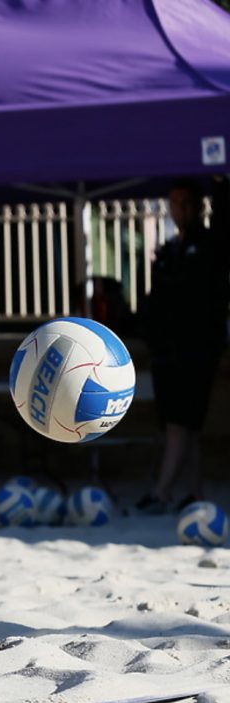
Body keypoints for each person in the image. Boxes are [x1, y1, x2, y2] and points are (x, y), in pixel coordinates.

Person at [136, 175, 229, 513]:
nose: (180, 209)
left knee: (180, 422)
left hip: (196, 350)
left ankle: (162, 491)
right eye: (175, 203)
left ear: (200, 206)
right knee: (184, 427)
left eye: (187, 203)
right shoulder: (169, 250)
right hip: (167, 351)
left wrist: (219, 184)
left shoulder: (210, 245)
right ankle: (196, 493)